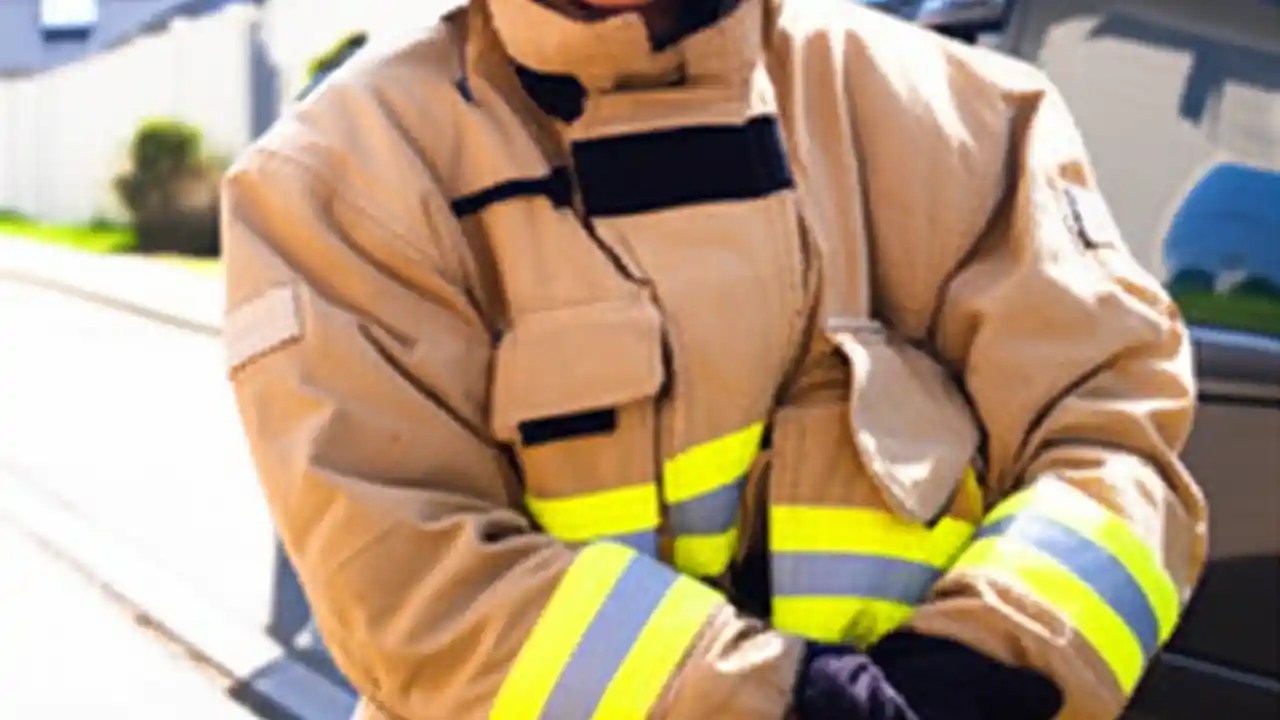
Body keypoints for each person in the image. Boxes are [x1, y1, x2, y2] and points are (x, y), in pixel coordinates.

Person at [220, 0, 1207, 718]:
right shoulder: (339, 179)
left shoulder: (970, 116)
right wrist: (794, 706)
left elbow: (1113, 445)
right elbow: (408, 587)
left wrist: (985, 676)